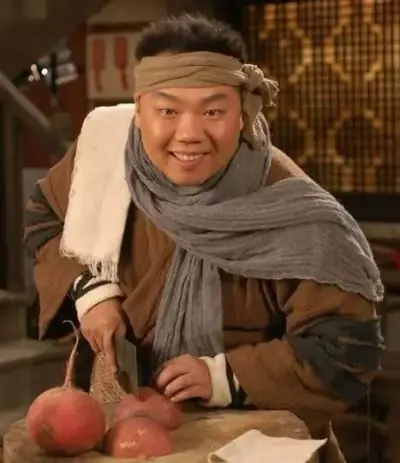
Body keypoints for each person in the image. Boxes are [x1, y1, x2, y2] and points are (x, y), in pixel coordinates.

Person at [24, 13, 383, 462]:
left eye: (213, 111)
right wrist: (91, 290)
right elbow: (44, 216)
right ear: (139, 111)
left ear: (243, 113)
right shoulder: (104, 158)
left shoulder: (298, 211)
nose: (190, 134)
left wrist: (227, 377)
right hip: (125, 428)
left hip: (260, 442)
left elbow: (348, 348)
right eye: (168, 111)